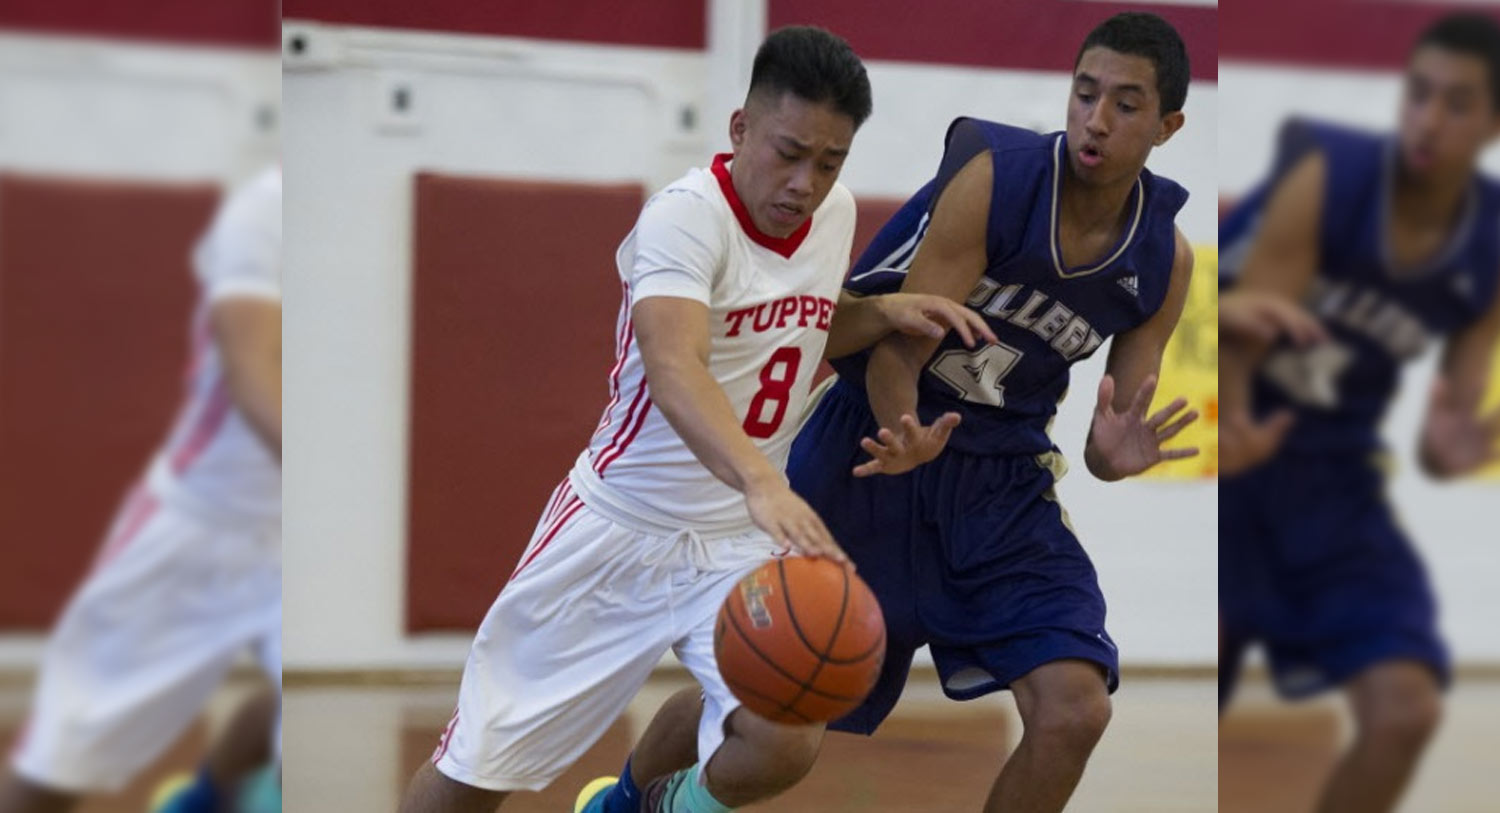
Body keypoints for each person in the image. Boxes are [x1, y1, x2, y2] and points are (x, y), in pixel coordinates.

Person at [617, 12, 1202, 813]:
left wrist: (1112, 453)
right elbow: (901, 337)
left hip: (1001, 481)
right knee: (773, 685)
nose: (1095, 119)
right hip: (870, 451)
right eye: (1085, 92)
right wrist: (903, 429)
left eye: (1125, 105)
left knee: (1076, 709)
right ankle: (623, 802)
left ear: (1168, 124)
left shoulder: (1165, 258)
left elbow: (1111, 431)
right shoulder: (999, 178)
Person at [399, 26, 994, 813]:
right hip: (620, 527)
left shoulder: (834, 214)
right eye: (788, 152)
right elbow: (677, 366)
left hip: (733, 543)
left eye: (830, 161)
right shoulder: (684, 217)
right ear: (740, 128)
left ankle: (627, 806)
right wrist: (761, 480)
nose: (806, 182)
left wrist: (882, 310)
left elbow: (805, 326)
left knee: (787, 732)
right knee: (471, 778)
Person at [1218, 13, 1500, 812]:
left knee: (1407, 711)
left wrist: (1452, 446)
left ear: (1492, 123)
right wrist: (1233, 422)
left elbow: (1449, 425)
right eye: (1417, 95)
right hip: (1240, 466)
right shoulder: (1331, 173)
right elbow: (1246, 331)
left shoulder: (1493, 239)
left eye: (1455, 103)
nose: (1427, 119)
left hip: (1336, 479)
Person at [0, 165, 283, 813]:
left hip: (290, 545)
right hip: (196, 525)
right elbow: (249, 372)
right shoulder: (265, 214)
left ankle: (204, 801)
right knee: (59, 760)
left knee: (290, 703)